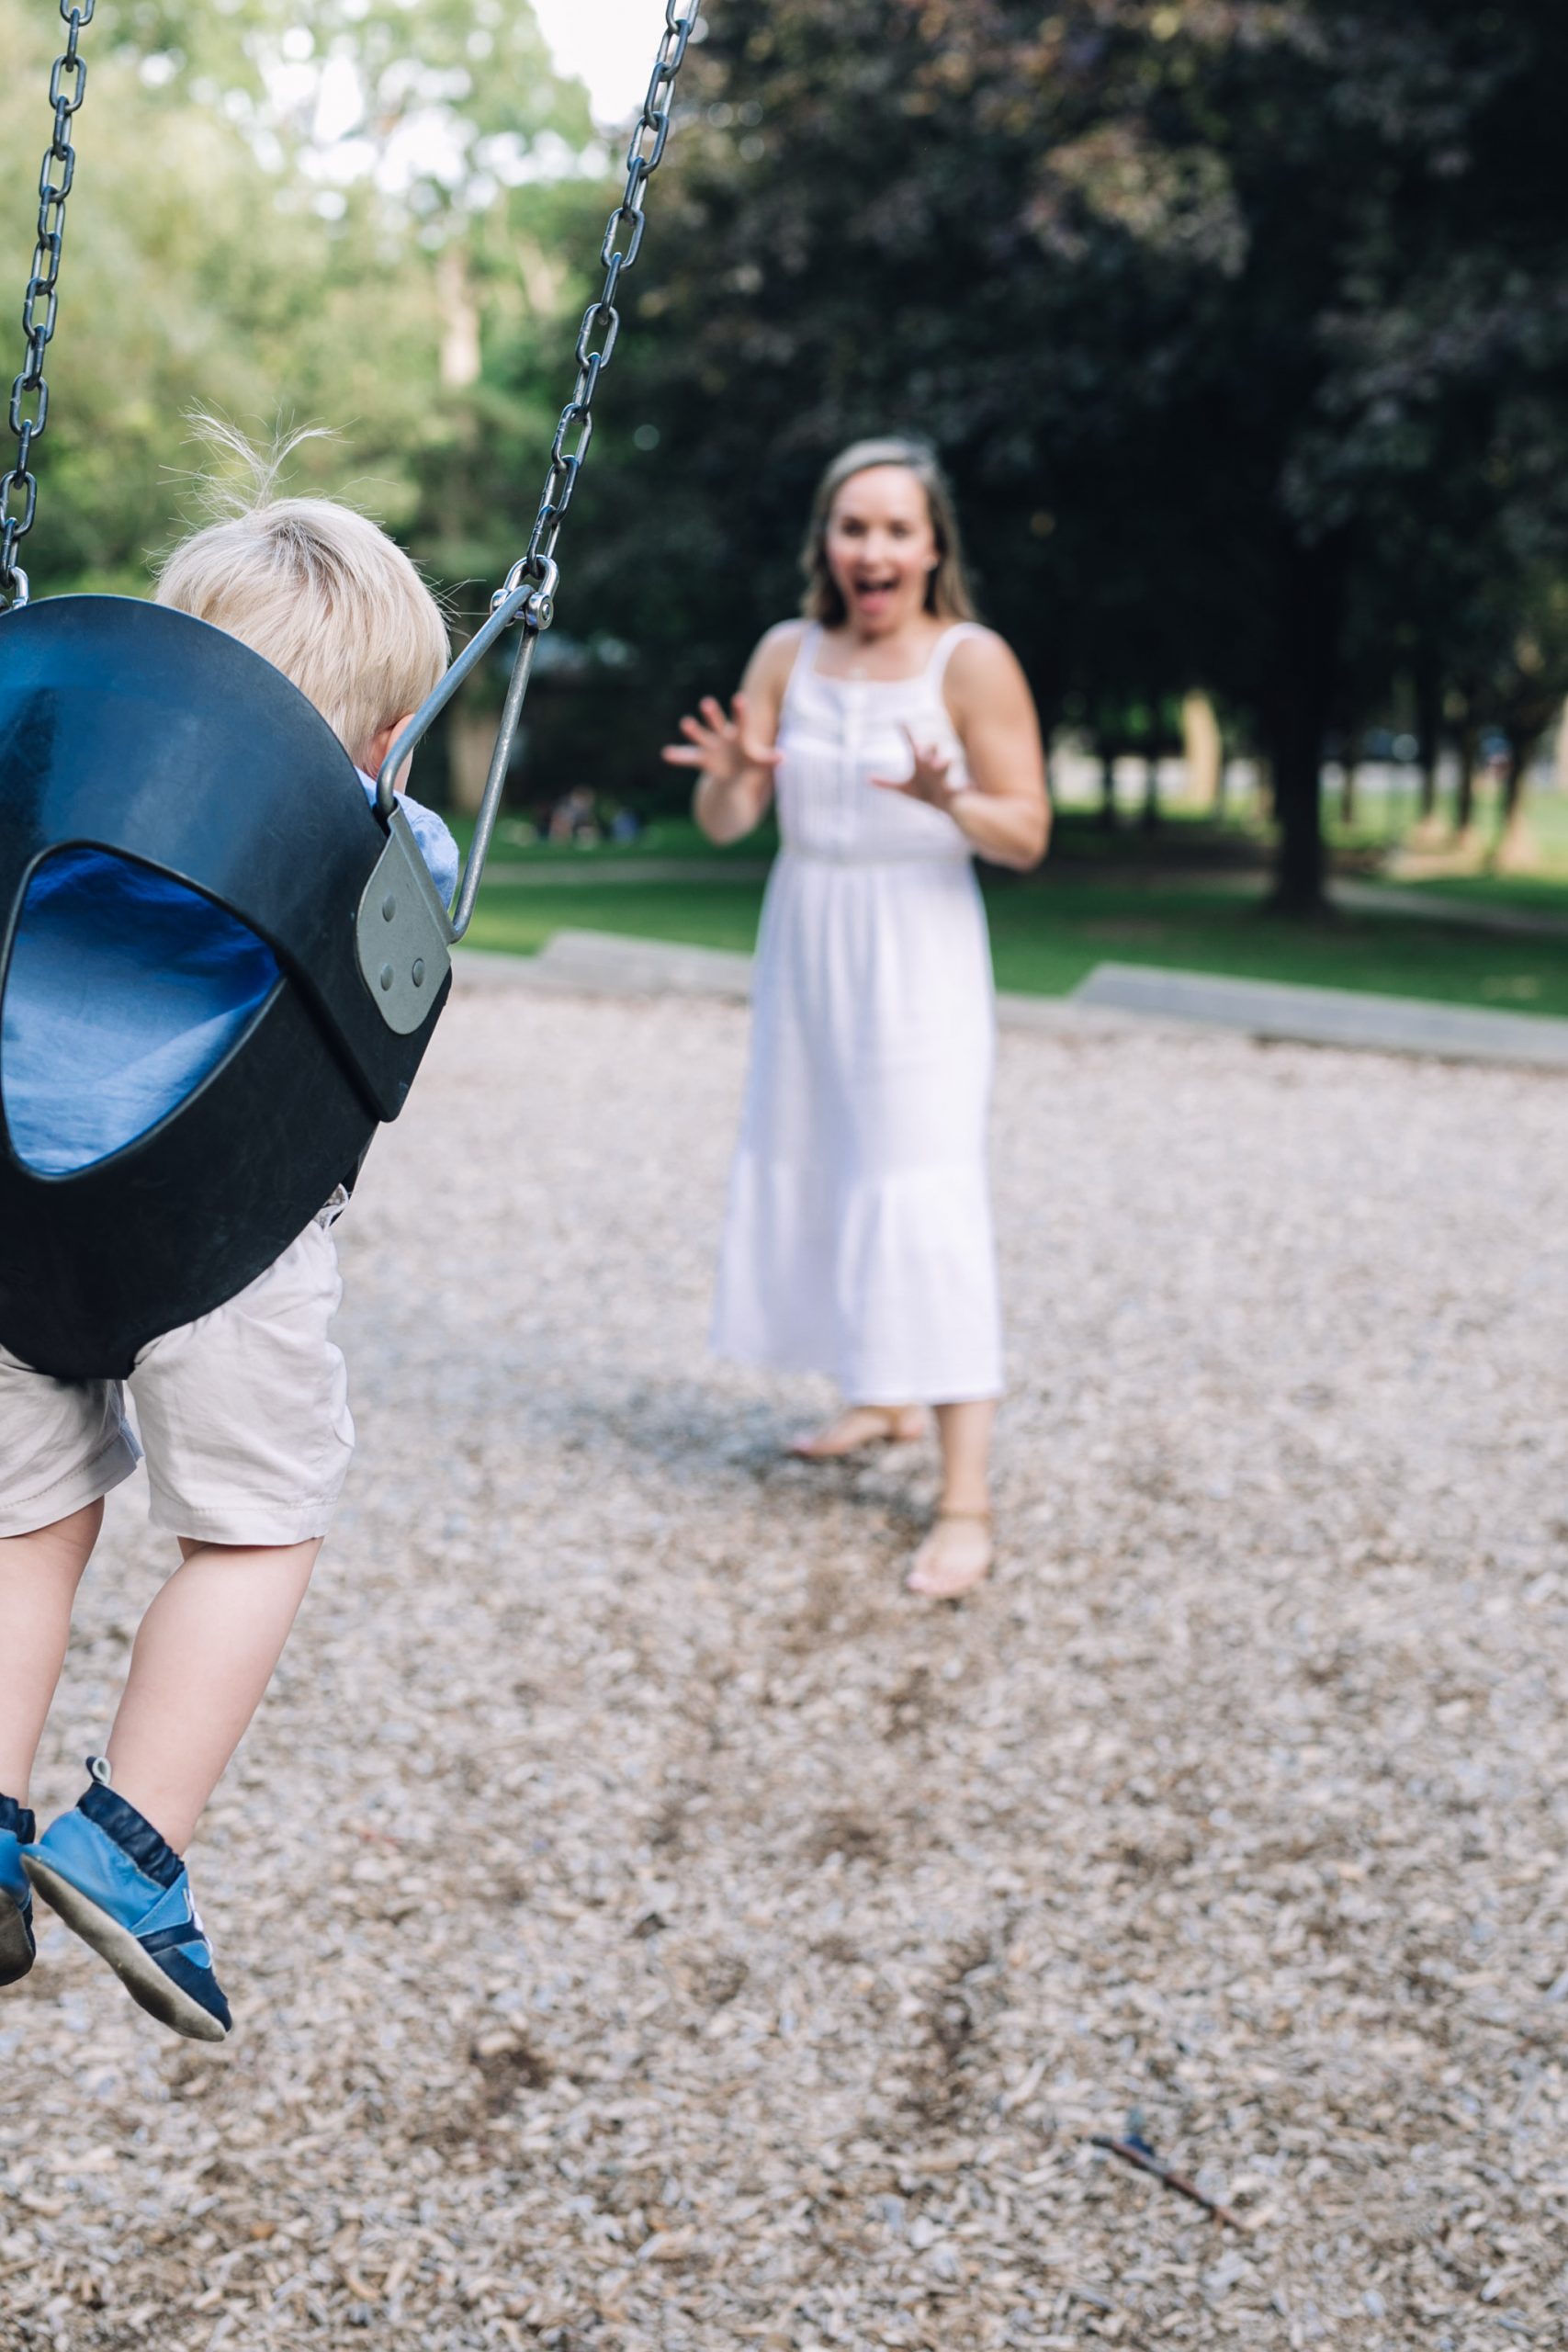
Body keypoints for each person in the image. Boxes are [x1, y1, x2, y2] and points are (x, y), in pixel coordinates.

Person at [0, 465, 457, 2040]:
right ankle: (131, 1846)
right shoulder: (395, 840)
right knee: (254, 1528)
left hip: (15, 1224)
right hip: (227, 1238)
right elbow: (415, 954)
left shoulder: (48, 793)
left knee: (24, 1529)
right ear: (386, 742)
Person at [663, 437, 1049, 1600]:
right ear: (827, 545)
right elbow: (728, 820)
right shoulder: (790, 649)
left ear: (933, 548)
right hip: (807, 937)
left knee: (920, 1186)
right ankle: (880, 1397)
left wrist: (955, 799)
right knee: (828, 1164)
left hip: (918, 949)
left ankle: (965, 1499)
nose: (872, 548)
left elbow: (1027, 833)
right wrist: (734, 772)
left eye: (895, 529)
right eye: (853, 526)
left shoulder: (973, 663)